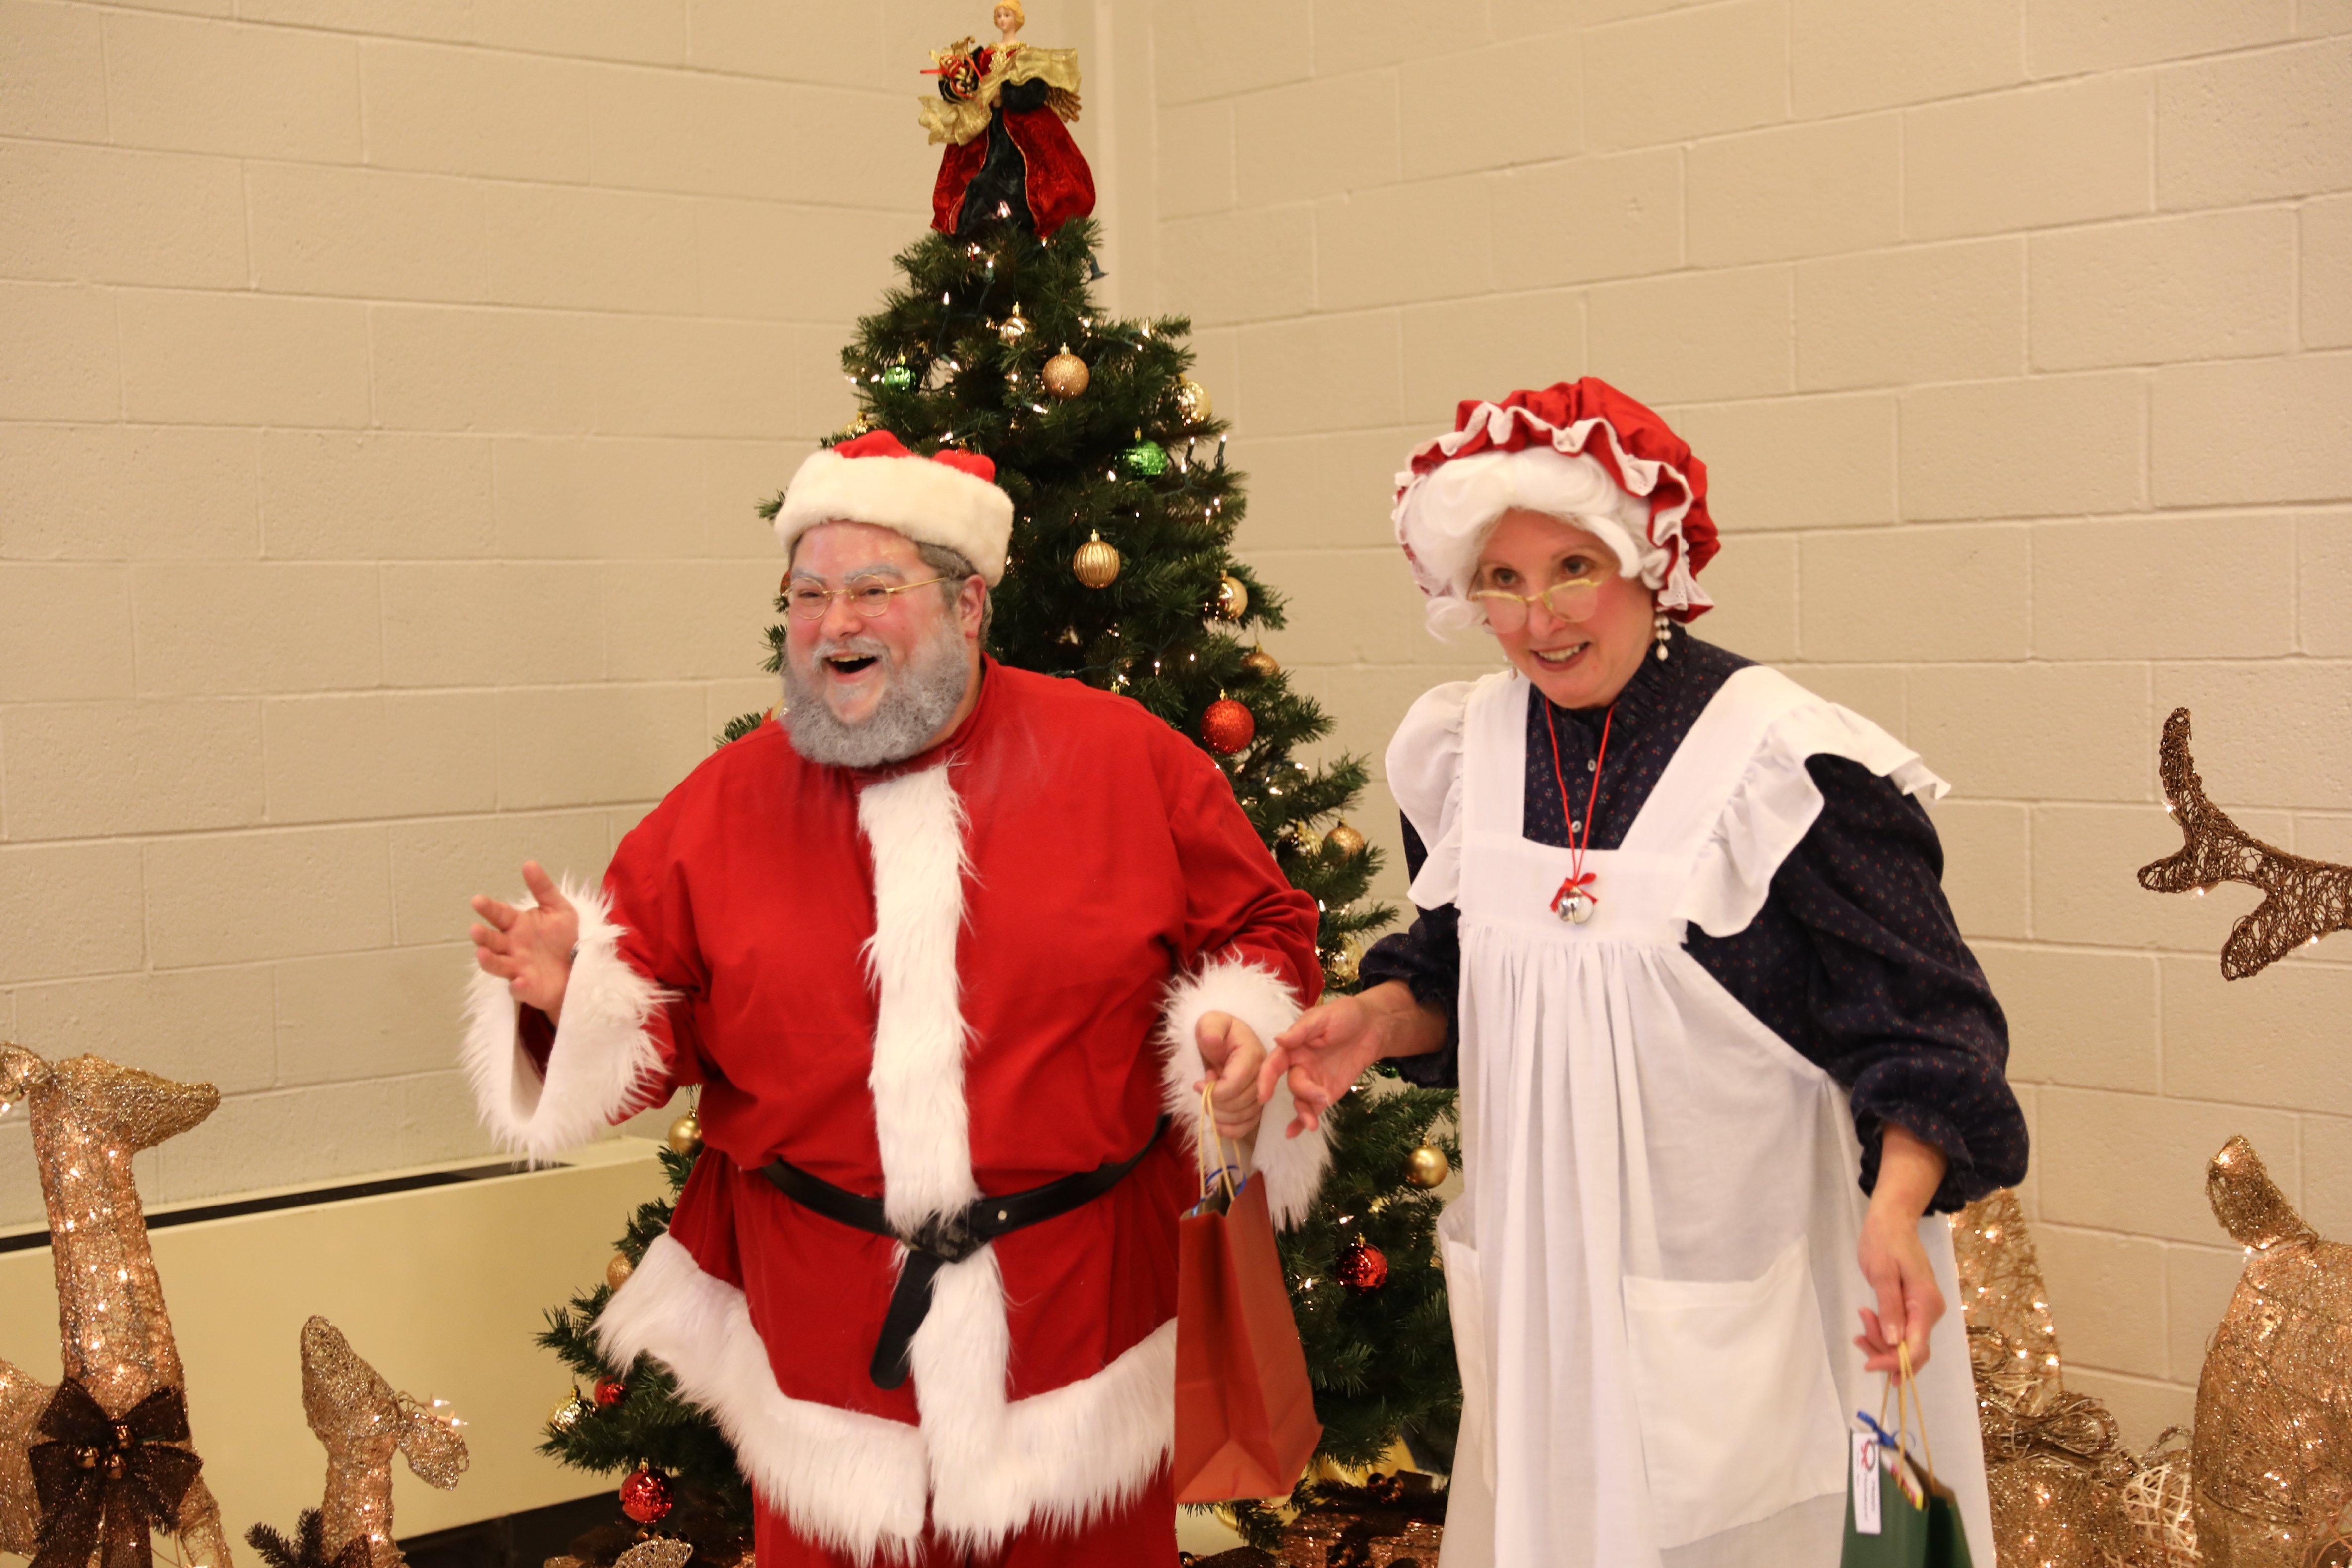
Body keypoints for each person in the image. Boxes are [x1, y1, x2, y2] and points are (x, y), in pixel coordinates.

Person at [462, 430, 1327, 1567]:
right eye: (810, 593)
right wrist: (572, 998)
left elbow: (1264, 927)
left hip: (1079, 1328)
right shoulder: (721, 807)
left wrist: (1238, 1027)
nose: (835, 622)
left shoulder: (1130, 760)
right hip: (826, 1344)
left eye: (875, 588)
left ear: (969, 605)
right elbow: (644, 1043)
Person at [1261, 380, 2025, 1566]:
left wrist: (1895, 1206)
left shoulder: (1785, 763)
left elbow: (1928, 1028)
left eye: (1571, 567)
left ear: (1649, 560)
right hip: (1544, 1308)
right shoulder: (1465, 748)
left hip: (1748, 1304)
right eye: (1501, 581)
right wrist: (1370, 1018)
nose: (1538, 616)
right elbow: (1451, 977)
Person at [919, 1, 1095, 239]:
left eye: (1007, 15)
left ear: (1017, 19)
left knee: (1023, 177)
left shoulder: (1028, 57)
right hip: (984, 129)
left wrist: (1005, 95)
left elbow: (1035, 90)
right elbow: (959, 81)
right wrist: (960, 86)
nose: (1002, 20)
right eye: (999, 15)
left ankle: (1020, 225)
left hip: (1017, 131)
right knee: (976, 179)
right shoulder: (982, 54)